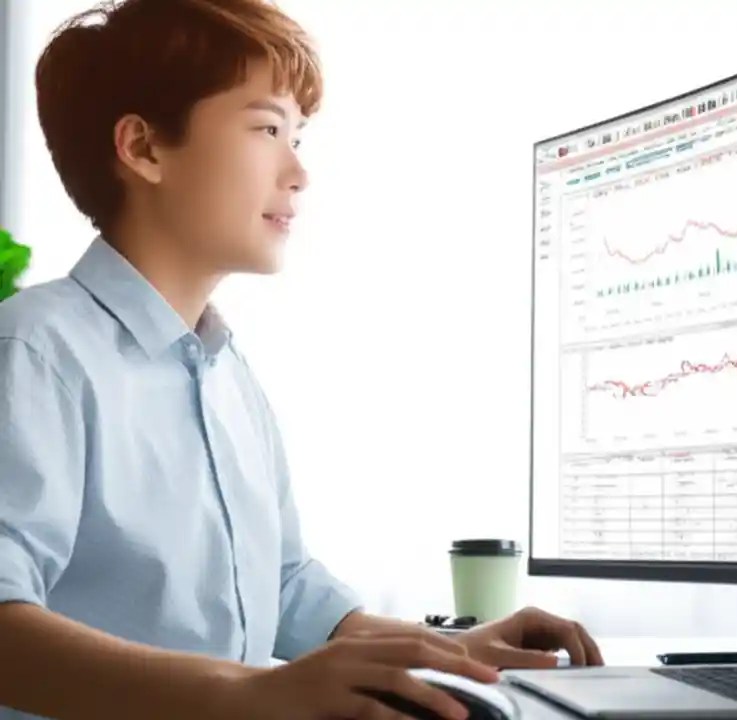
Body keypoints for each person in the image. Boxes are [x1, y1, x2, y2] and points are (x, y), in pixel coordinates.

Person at [0, 2, 601, 719]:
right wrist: (252, 693)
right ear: (145, 149)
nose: (298, 171)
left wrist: (458, 651)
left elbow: (284, 586)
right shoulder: (39, 352)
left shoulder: (226, 374)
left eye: (298, 136)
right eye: (267, 129)